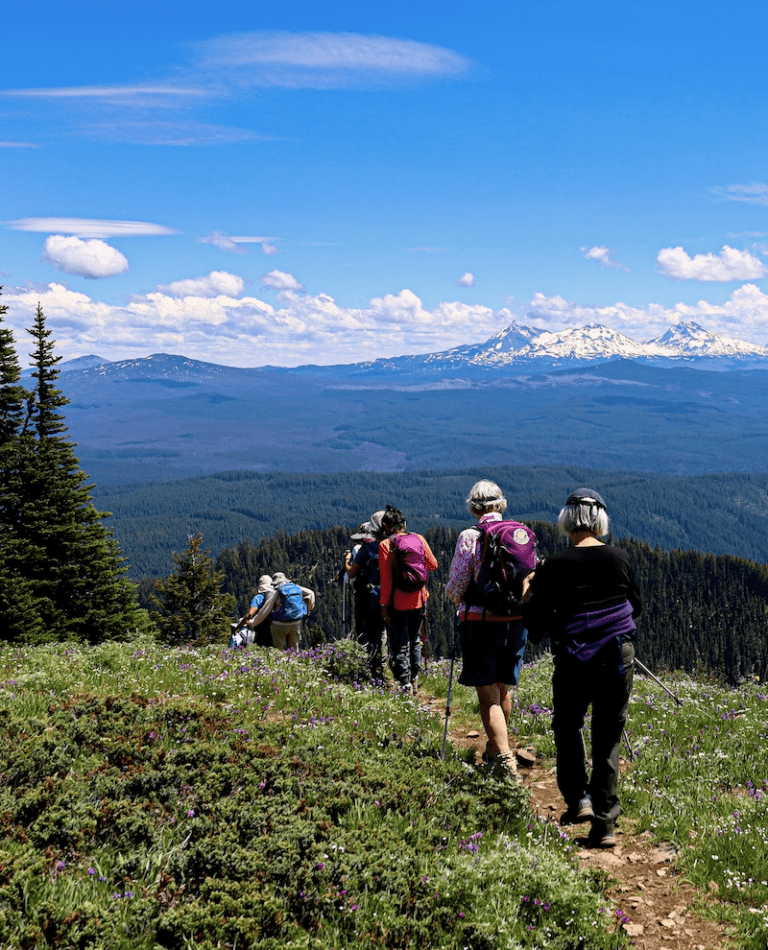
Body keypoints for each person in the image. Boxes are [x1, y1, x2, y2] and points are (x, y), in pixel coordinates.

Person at [523, 488, 641, 847]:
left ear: (567, 521)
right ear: (600, 521)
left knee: (568, 725)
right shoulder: (620, 559)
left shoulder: (554, 566)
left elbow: (535, 627)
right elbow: (635, 607)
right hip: (616, 654)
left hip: (573, 658)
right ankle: (605, 824)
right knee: (607, 736)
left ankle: (579, 800)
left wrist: (528, 591)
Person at [446, 479, 537, 781]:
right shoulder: (520, 534)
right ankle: (493, 750)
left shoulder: (470, 536)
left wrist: (456, 599)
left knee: (488, 696)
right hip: (516, 622)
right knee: (503, 689)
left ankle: (506, 762)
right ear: (501, 504)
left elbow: (457, 584)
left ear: (474, 507)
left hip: (481, 622)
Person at [378, 505, 438, 693]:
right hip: (419, 599)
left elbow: (386, 580)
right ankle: (414, 678)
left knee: (399, 644)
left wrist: (384, 605)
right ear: (403, 524)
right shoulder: (419, 539)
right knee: (415, 640)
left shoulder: (386, 545)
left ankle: (404, 684)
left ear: (386, 526)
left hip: (398, 601)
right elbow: (433, 565)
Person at [344, 511, 388, 681]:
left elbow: (352, 573)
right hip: (388, 595)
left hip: (368, 596)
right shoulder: (392, 546)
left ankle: (368, 666)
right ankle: (382, 667)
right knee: (382, 632)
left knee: (366, 631)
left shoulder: (367, 548)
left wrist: (346, 562)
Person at [248, 572, 316, 650]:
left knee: (278, 650)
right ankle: (295, 657)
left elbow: (265, 610)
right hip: (295, 622)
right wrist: (308, 609)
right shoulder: (295, 587)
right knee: (294, 649)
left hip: (279, 623)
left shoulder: (276, 592)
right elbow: (311, 593)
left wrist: (253, 622)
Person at [233, 574, 275, 647]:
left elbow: (250, 614)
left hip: (261, 627)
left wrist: (240, 624)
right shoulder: (275, 597)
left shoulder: (258, 598)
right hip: (275, 626)